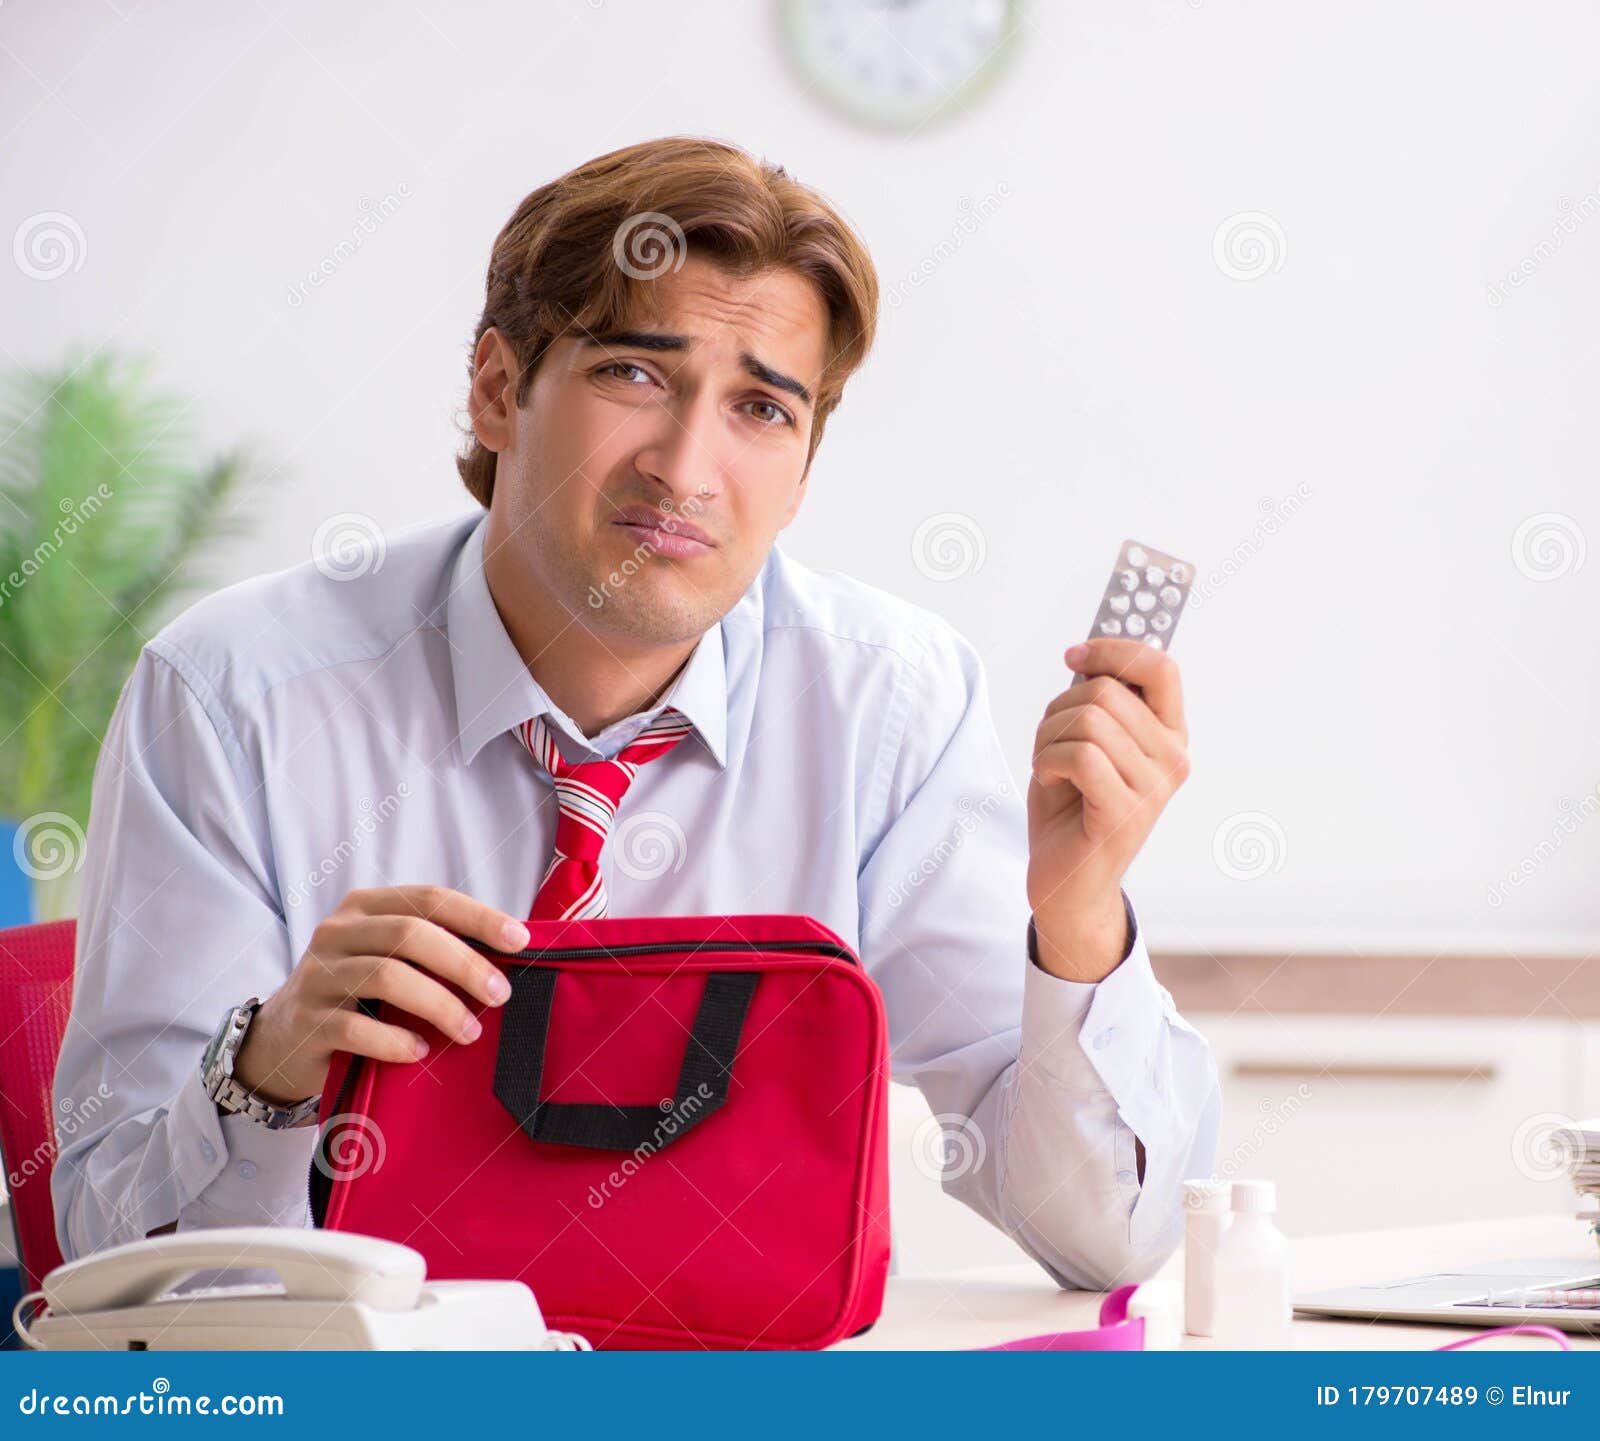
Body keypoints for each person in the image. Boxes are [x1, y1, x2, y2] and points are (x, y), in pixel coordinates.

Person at [53, 136, 1219, 1291]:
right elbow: (106, 1259)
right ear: (499, 389)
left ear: (805, 469)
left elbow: (1105, 1240)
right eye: (636, 375)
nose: (684, 468)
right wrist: (271, 1065)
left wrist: (1074, 920)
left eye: (761, 409)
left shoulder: (891, 704)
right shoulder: (234, 693)